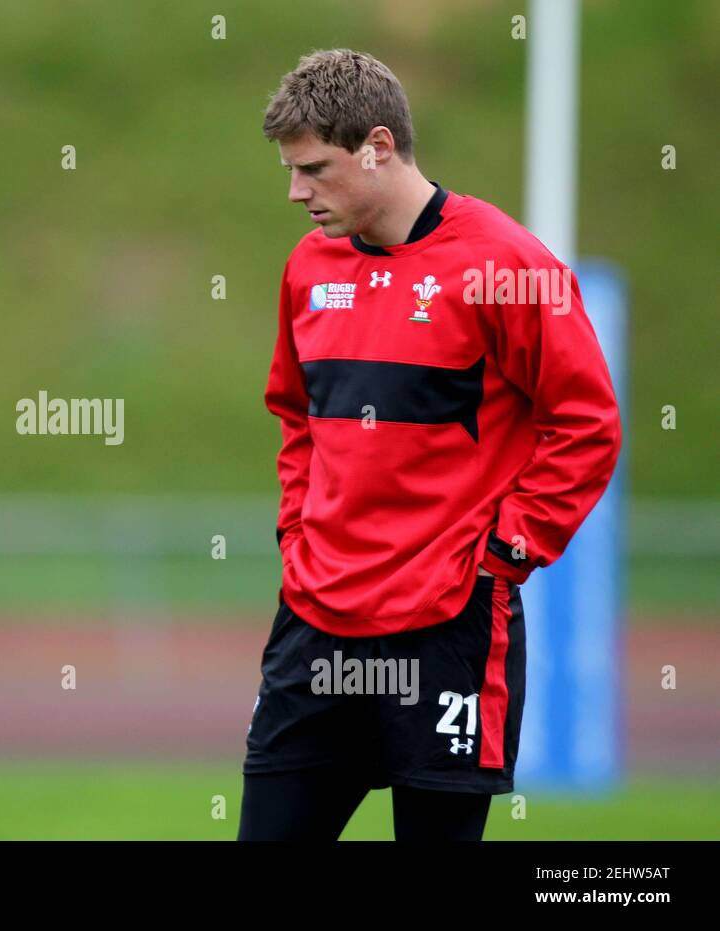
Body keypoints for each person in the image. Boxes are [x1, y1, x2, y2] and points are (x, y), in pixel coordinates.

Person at [239, 51, 621, 841]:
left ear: (378, 146)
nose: (295, 192)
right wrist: (297, 533)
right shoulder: (309, 268)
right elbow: (296, 416)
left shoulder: (511, 265)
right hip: (317, 617)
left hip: (449, 620)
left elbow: (586, 424)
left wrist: (504, 554)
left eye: (313, 169)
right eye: (290, 170)